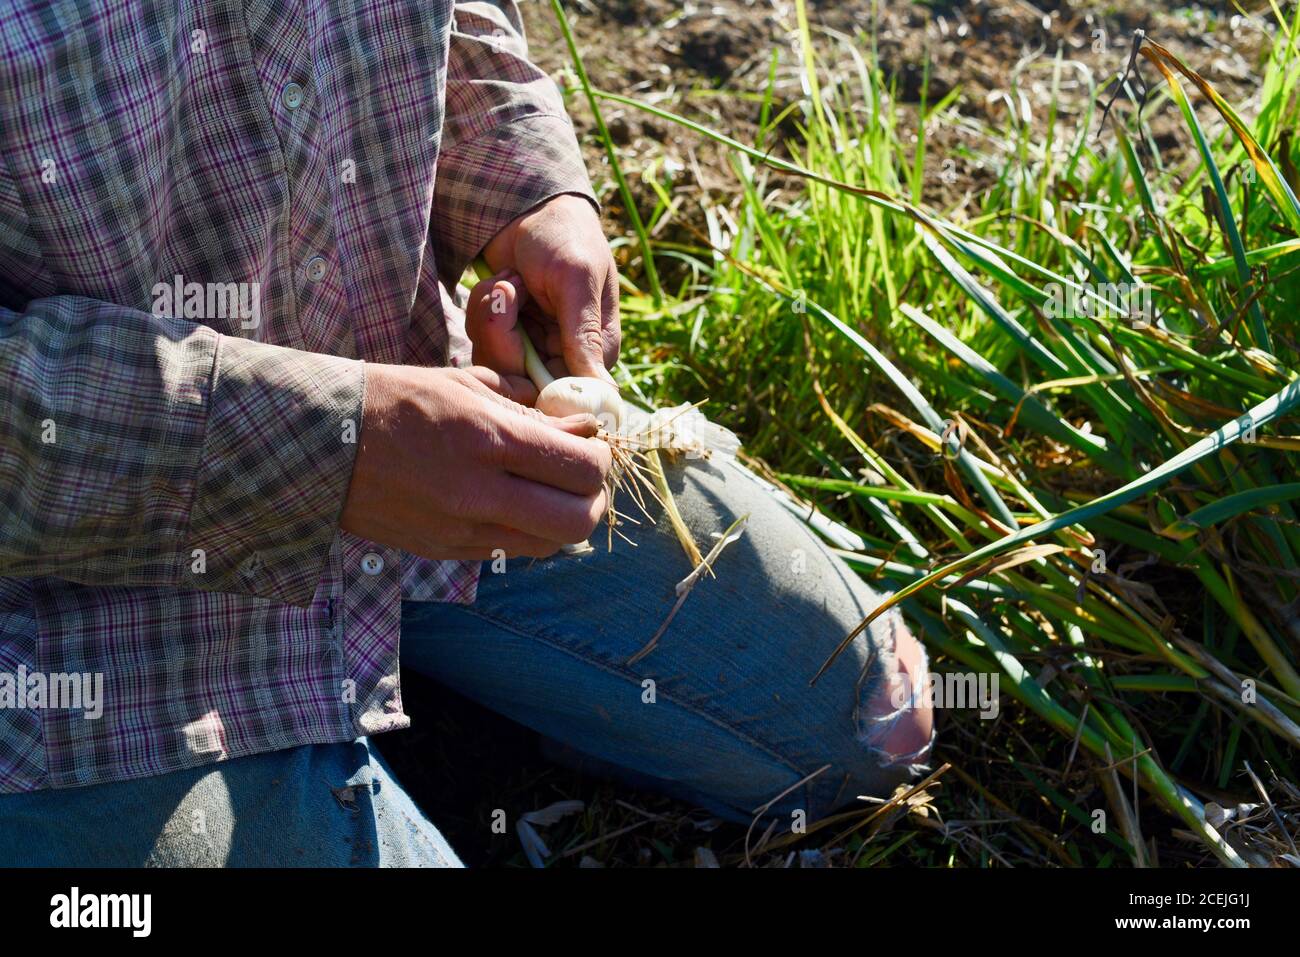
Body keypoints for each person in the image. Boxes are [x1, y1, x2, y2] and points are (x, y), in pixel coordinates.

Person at [0, 0, 931, 866]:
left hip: (414, 416)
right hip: (59, 623)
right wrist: (319, 447)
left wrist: (519, 182)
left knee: (865, 723)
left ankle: (410, 695)